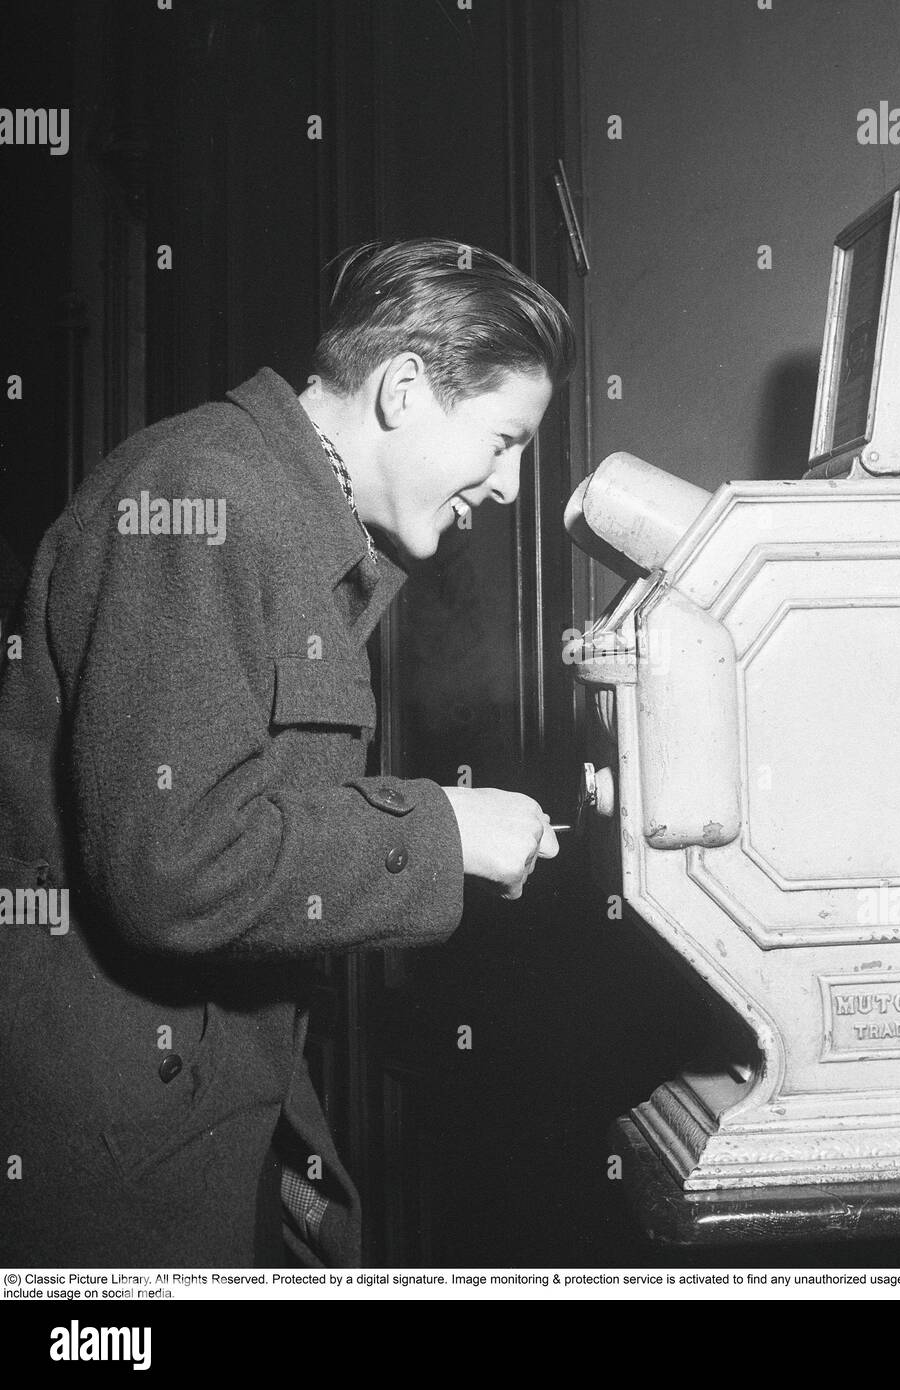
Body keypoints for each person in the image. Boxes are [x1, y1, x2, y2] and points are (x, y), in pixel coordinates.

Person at [0, 239, 573, 1266]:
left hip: (204, 1117)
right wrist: (443, 832)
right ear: (403, 389)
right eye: (501, 440)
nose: (510, 487)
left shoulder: (278, 512)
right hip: (111, 1168)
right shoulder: (202, 500)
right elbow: (175, 867)